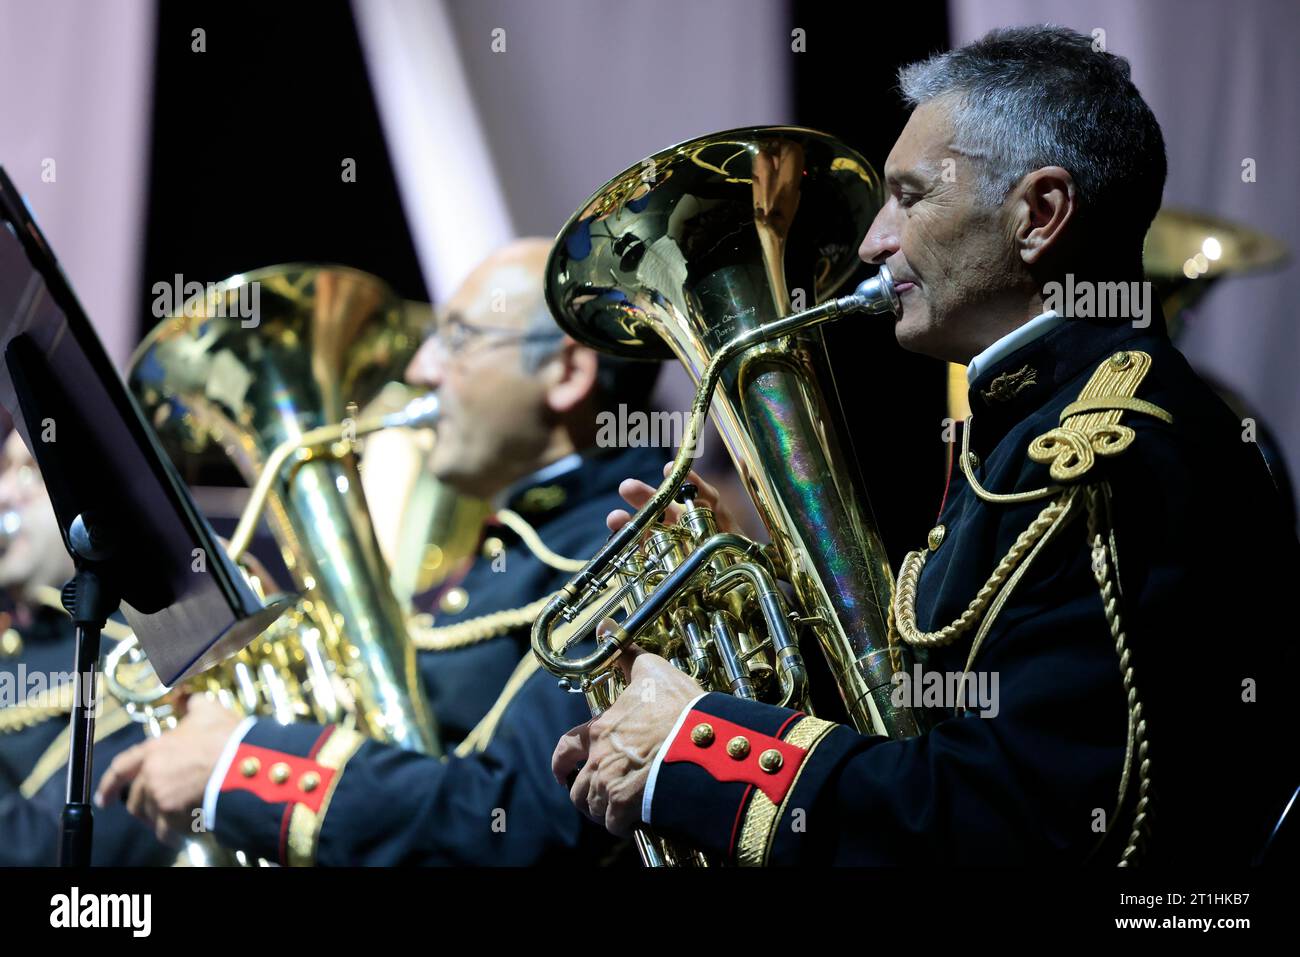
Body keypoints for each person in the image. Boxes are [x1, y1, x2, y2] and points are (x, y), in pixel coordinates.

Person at [553, 26, 1298, 866]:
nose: (873, 241)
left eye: (909, 197)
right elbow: (932, 725)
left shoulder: (1103, 456)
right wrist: (740, 621)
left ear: (1039, 215)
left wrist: (697, 745)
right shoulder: (1033, 430)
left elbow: (1006, 825)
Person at [98, 238, 666, 865]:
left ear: (567, 372)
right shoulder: (525, 547)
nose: (418, 370)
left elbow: (520, 826)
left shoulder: (629, 544)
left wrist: (241, 765)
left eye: (456, 338)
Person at [0, 431, 174, 866]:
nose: (2, 494)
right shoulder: (12, 652)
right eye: (3, 472)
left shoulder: (141, 651)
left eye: (30, 472)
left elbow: (48, 852)